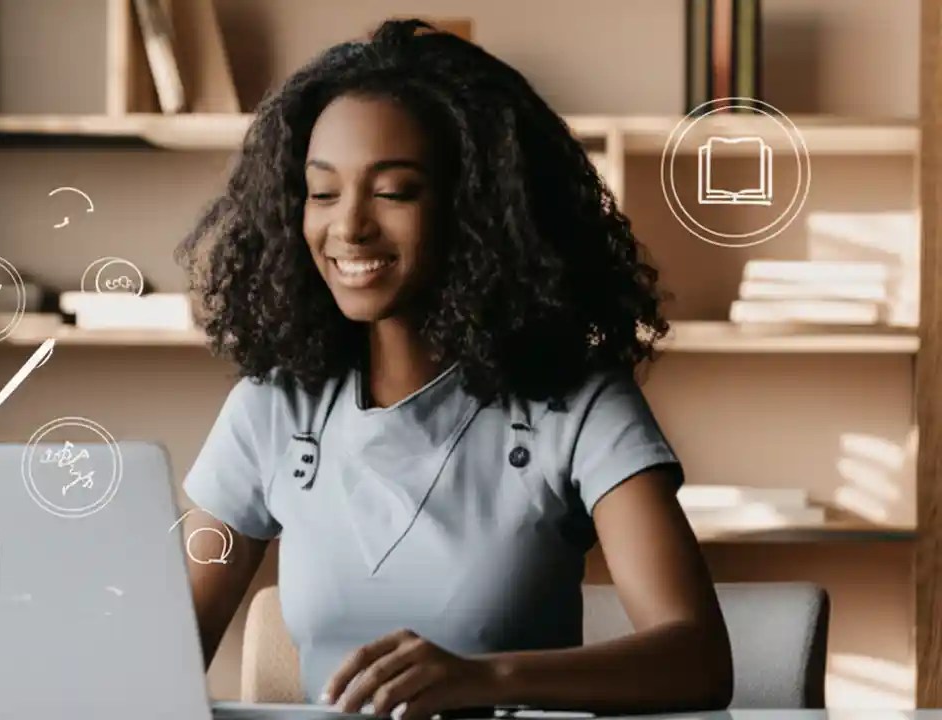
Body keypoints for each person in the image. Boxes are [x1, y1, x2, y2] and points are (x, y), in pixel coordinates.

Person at [175, 18, 732, 720]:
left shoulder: (577, 403)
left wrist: (486, 680)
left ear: (477, 210)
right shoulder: (272, 409)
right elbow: (163, 651)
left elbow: (697, 658)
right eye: (322, 193)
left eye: (394, 191)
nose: (348, 227)